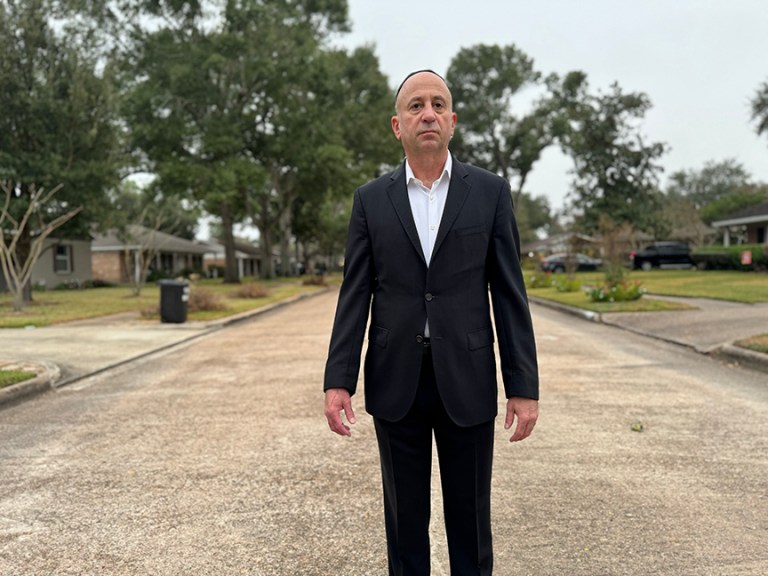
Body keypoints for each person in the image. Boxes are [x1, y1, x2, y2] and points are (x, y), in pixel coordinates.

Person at [323, 69, 539, 576]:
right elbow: (355, 293)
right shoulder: (370, 200)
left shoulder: (488, 193)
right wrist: (339, 381)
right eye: (416, 105)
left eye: (438, 104)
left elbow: (509, 294)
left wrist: (523, 385)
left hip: (466, 376)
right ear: (396, 125)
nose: (428, 113)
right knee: (404, 524)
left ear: (453, 121)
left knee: (470, 520)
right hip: (396, 379)